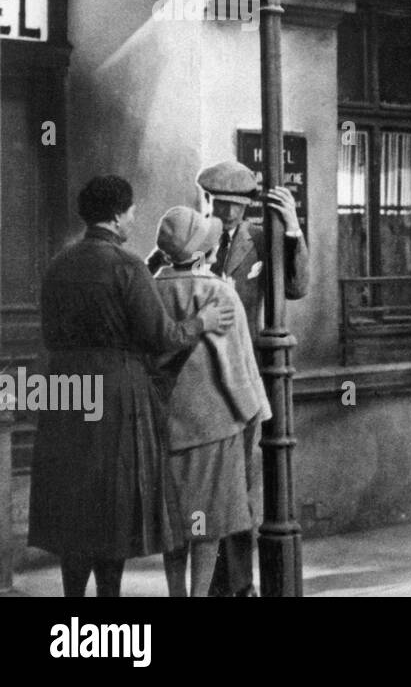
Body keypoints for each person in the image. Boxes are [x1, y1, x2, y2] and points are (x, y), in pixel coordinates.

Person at [28, 176, 236, 597]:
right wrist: (203, 322)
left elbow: (49, 334)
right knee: (111, 506)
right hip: (115, 395)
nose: (133, 218)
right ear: (120, 214)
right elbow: (162, 338)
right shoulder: (127, 266)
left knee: (74, 502)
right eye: (132, 211)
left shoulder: (57, 265)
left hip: (65, 393)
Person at [196, 160, 310, 597]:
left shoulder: (263, 239)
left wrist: (294, 229)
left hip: (241, 375)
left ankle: (238, 584)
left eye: (237, 209)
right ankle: (207, 583)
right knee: (208, 484)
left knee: (241, 484)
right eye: (221, 207)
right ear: (208, 201)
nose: (228, 217)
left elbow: (297, 287)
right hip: (200, 376)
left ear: (247, 208)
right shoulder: (191, 236)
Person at [153, 207, 271, 598]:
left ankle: (175, 594)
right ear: (204, 251)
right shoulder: (221, 293)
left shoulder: (152, 289)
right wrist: (257, 411)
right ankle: (200, 594)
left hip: (165, 424)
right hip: (215, 423)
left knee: (174, 519)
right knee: (207, 519)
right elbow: (240, 362)